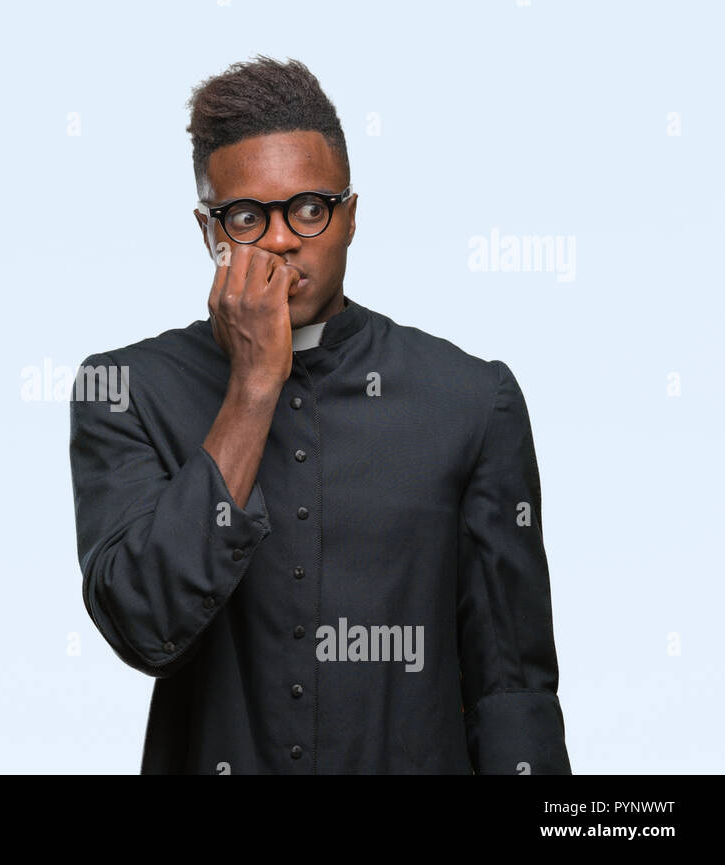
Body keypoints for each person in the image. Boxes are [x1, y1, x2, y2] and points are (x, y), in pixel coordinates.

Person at [67, 55, 571, 774]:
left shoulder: (469, 398)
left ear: (351, 216)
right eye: (246, 216)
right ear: (209, 230)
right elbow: (145, 626)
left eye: (309, 208)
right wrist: (252, 388)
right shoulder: (123, 390)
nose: (280, 239)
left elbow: (512, 689)